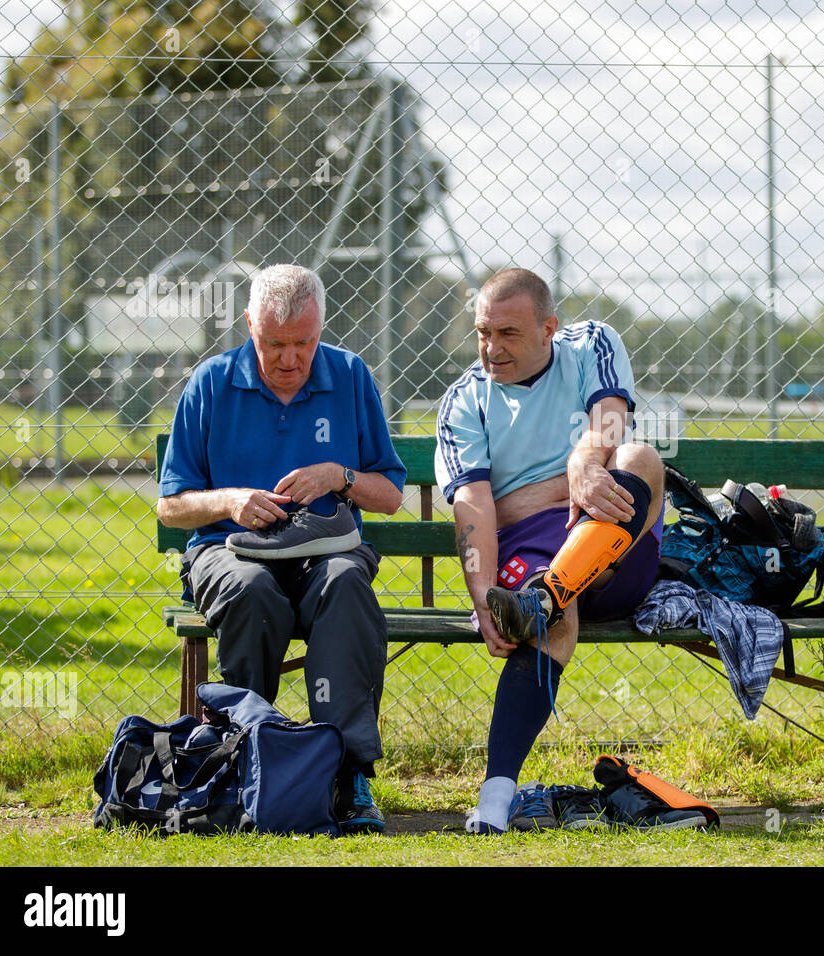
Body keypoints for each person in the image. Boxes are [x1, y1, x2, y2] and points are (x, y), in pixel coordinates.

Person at [157, 263, 406, 834]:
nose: (291, 359)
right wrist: (230, 500)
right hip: (231, 551)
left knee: (346, 584)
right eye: (274, 343)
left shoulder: (349, 376)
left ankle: (350, 774)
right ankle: (245, 757)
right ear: (249, 325)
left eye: (304, 342)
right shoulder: (212, 382)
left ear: (321, 328)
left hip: (328, 549)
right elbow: (171, 505)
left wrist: (339, 475)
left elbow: (390, 494)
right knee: (252, 592)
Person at [435, 268, 664, 833]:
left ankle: (550, 592)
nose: (492, 348)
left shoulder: (591, 343)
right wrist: (485, 594)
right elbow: (476, 509)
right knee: (551, 617)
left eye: (508, 334)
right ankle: (494, 801)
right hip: (525, 558)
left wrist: (584, 461)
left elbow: (611, 422)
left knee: (640, 460)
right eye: (483, 332)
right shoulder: (463, 400)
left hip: (611, 544)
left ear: (548, 329)